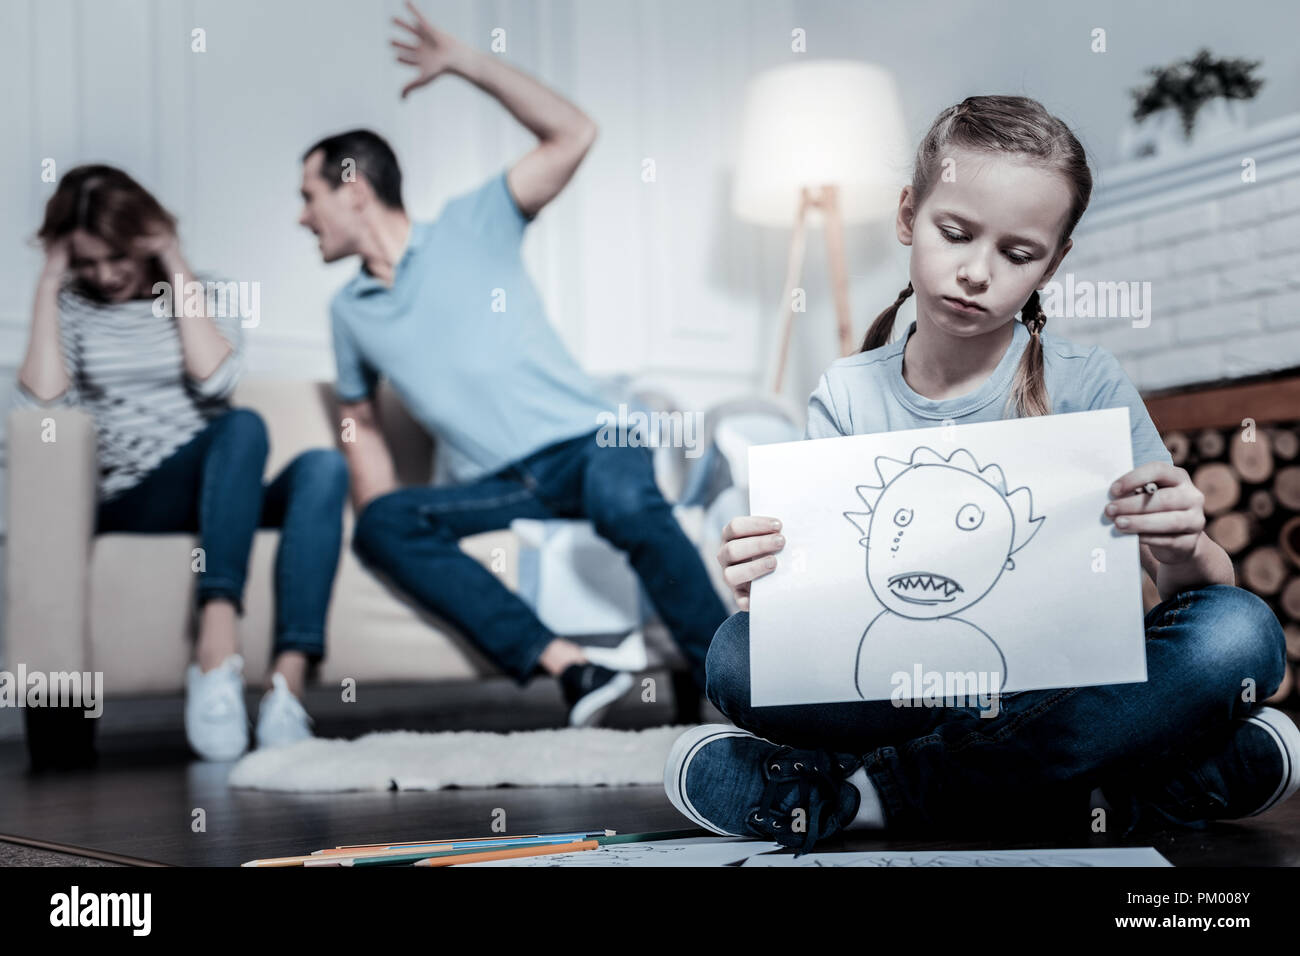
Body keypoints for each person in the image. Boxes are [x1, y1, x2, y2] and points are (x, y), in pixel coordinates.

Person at [664, 95, 1297, 853]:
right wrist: (764, 577)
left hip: (1056, 680)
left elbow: (1199, 598)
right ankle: (1137, 789)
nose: (975, 273)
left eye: (1018, 254)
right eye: (955, 233)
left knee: (1240, 635)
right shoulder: (847, 391)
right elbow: (816, 615)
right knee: (737, 656)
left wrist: (1182, 544)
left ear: (1054, 263)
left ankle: (873, 797)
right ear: (908, 216)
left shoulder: (1087, 380)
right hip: (909, 686)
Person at [297, 4, 727, 726]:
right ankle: (572, 667)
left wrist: (465, 61)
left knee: (628, 505)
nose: (303, 217)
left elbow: (574, 132)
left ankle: (735, 692)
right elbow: (359, 423)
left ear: (355, 188)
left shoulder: (474, 221)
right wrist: (381, 504)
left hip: (591, 443)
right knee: (382, 526)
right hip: (501, 486)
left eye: (310, 197)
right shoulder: (348, 311)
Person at [15, 164, 349, 762]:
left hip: (220, 485)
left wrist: (172, 257)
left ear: (145, 238)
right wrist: (49, 281)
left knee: (323, 466)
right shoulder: (72, 307)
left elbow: (215, 379)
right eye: (87, 261)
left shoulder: (207, 292)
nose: (106, 274)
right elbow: (41, 409)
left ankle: (285, 691)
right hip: (136, 494)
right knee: (243, 426)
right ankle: (216, 649)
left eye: (118, 256)